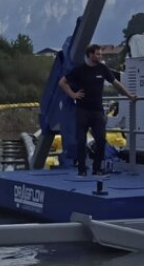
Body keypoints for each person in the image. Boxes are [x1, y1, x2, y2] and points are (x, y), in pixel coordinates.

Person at [59, 43, 137, 176]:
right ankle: (82, 169)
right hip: (82, 110)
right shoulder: (80, 70)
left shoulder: (103, 69)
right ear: (90, 55)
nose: (100, 56)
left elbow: (116, 84)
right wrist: (73, 95)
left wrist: (129, 95)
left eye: (101, 54)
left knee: (101, 140)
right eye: (97, 54)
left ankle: (96, 168)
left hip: (97, 111)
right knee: (81, 141)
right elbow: (62, 82)